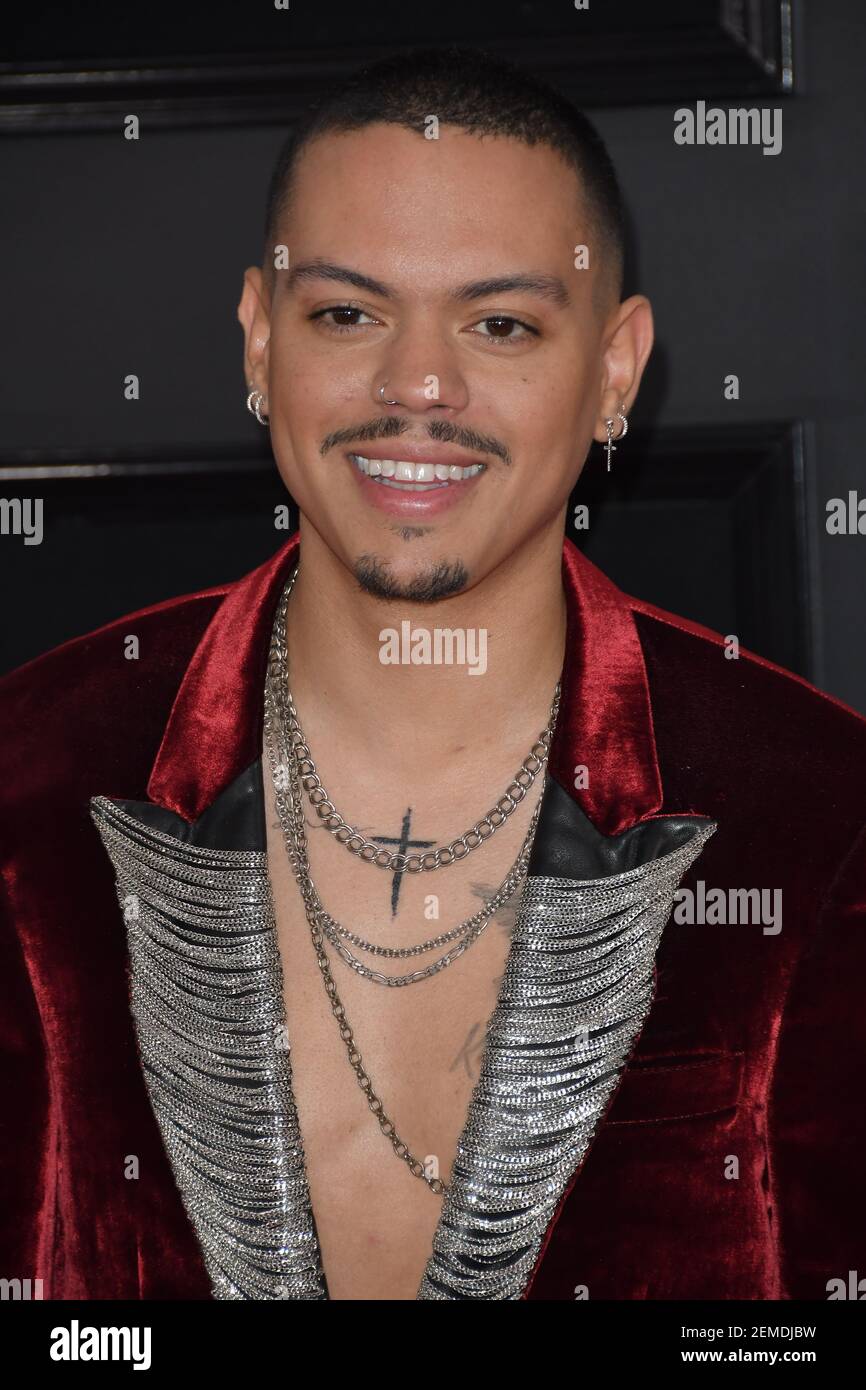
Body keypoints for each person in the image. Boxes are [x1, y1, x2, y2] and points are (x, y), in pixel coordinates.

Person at [1, 45, 864, 1303]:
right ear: (258, 341)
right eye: (347, 313)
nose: (417, 385)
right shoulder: (30, 777)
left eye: (500, 322)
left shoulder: (822, 815)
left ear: (614, 372)